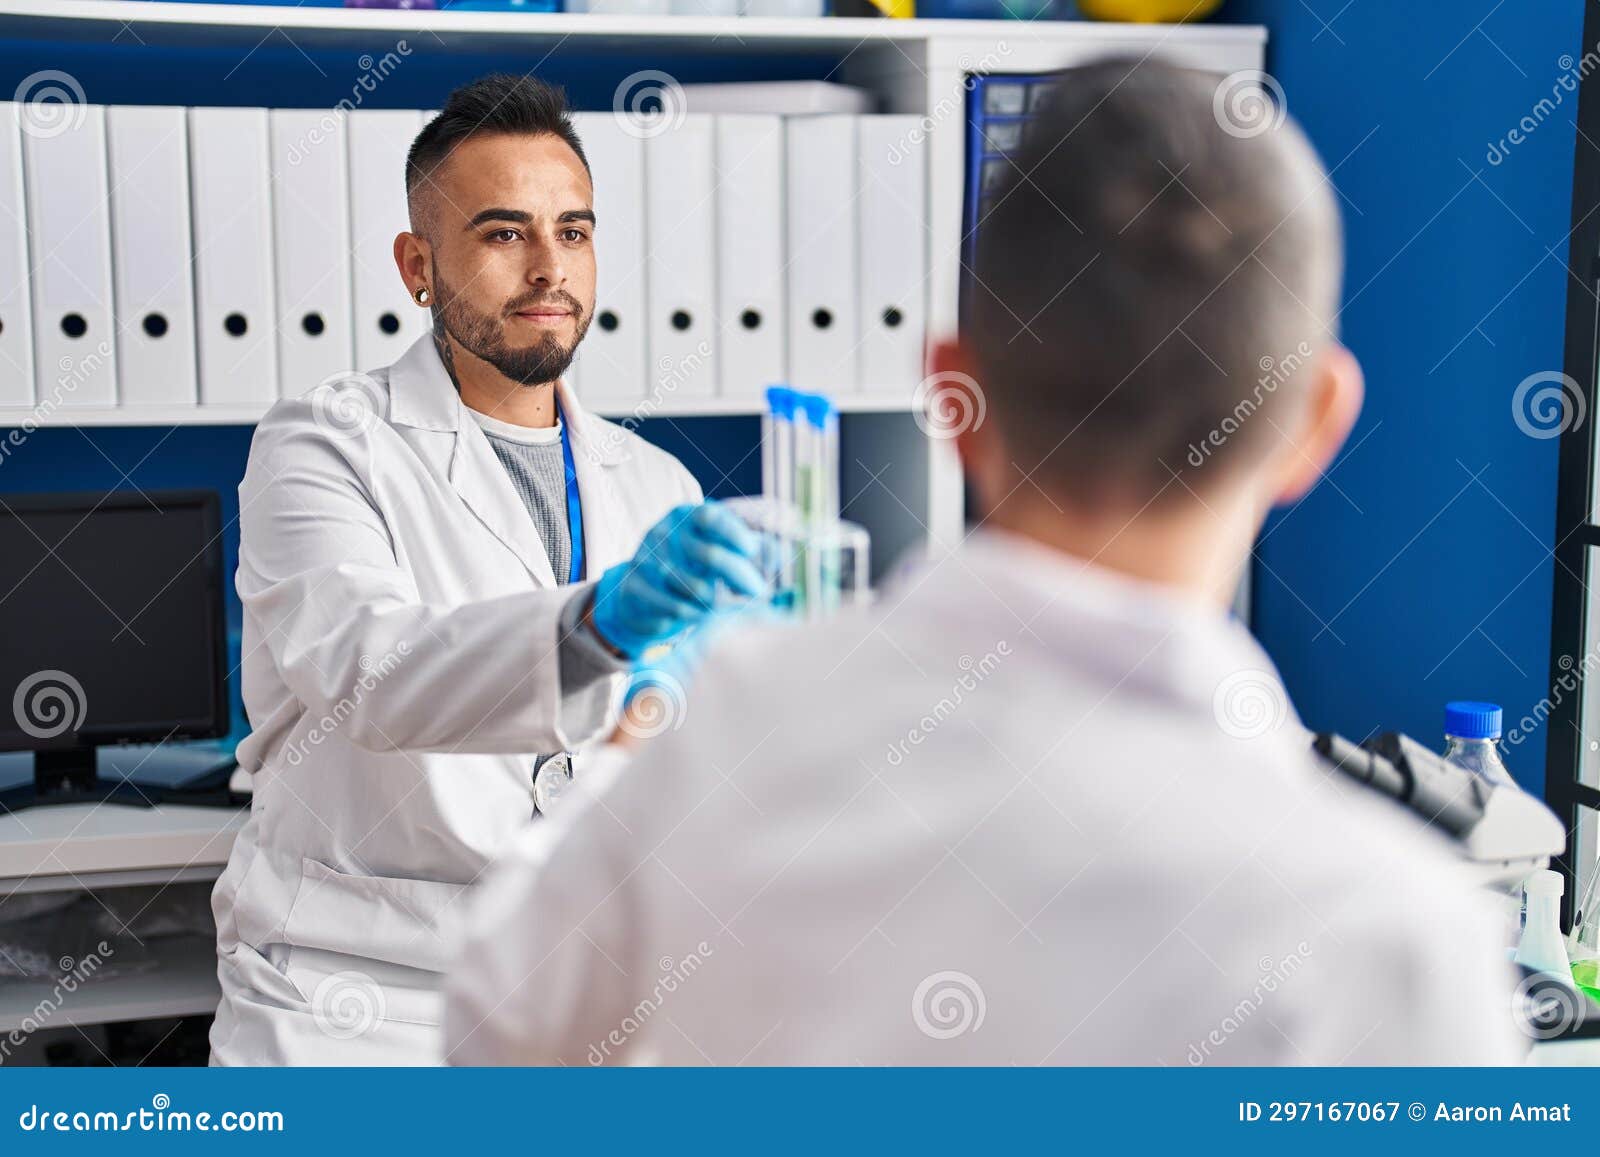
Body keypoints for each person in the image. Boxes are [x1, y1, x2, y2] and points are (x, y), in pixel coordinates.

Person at [442, 60, 1525, 1065]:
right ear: (1314, 425)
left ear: (954, 392)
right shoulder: (1394, 937)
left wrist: (639, 747)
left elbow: (496, 1020)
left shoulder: (735, 725)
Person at [209, 74, 765, 1065]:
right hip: (356, 997)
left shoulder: (655, 481)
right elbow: (368, 676)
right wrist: (601, 625)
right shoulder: (320, 445)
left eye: (576, 231)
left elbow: (654, 751)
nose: (551, 267)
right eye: (505, 233)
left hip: (582, 991)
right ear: (418, 266)